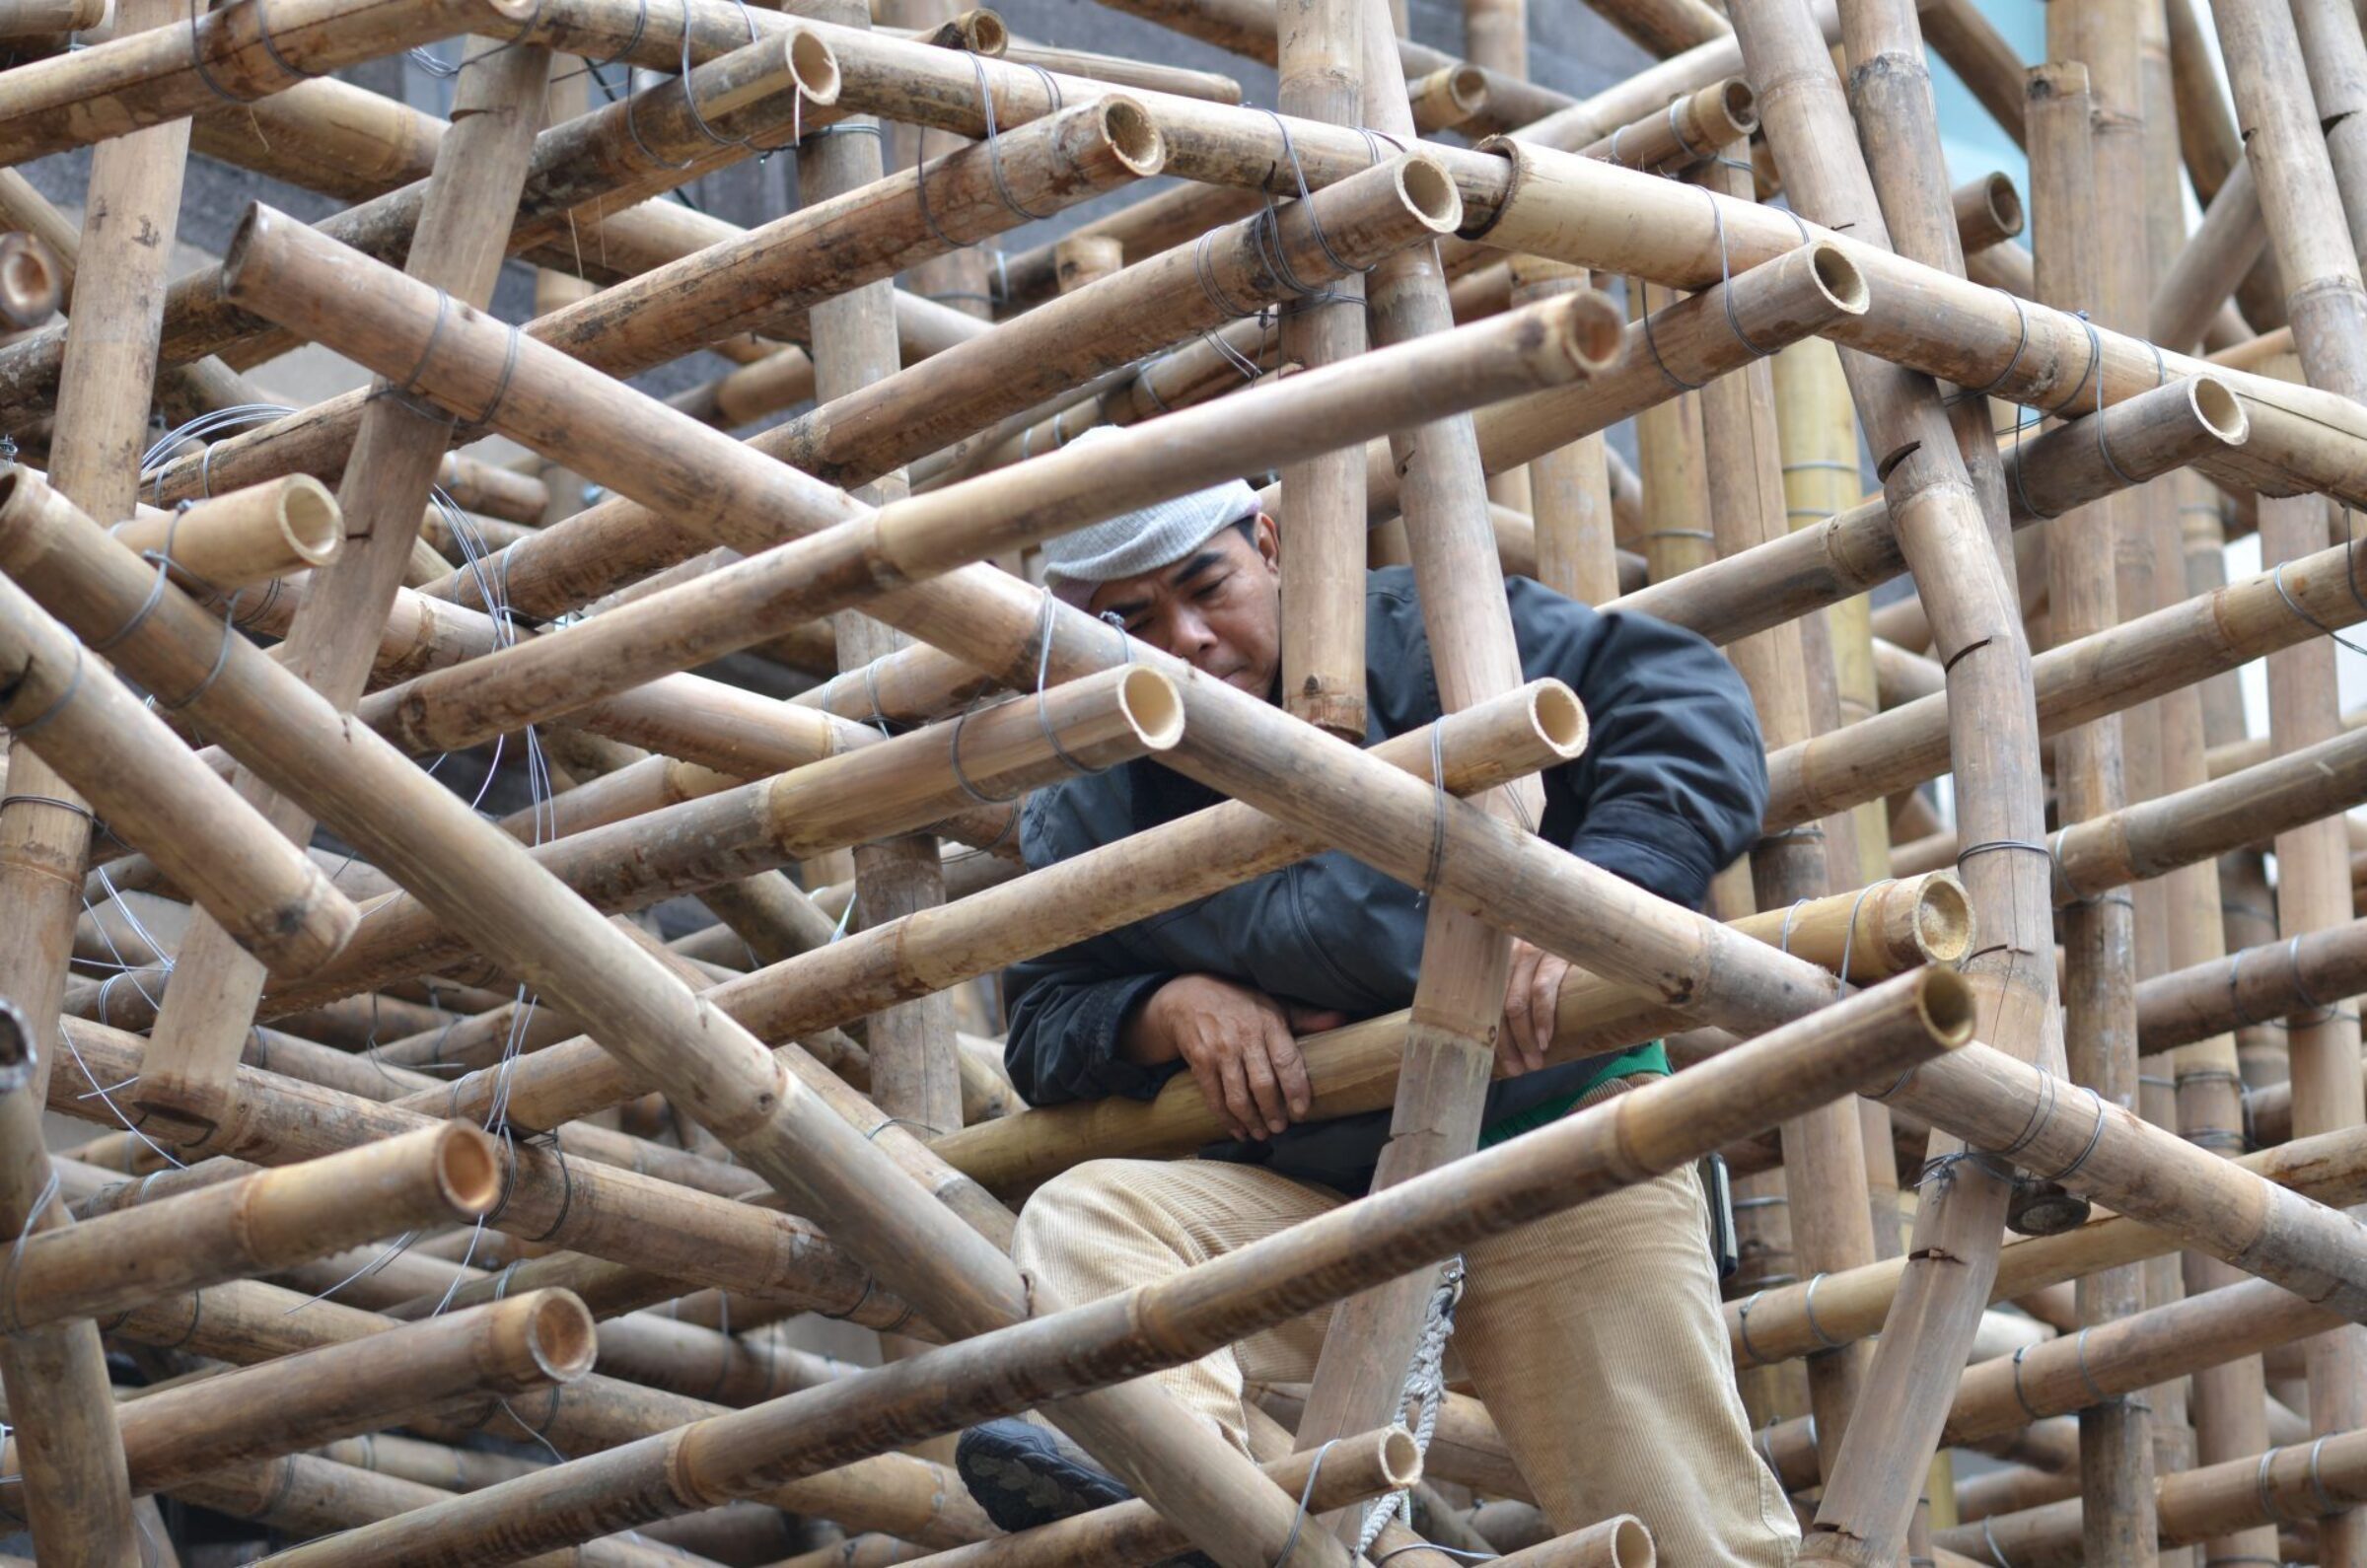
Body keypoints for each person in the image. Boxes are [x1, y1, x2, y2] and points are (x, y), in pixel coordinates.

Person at [956, 469, 1798, 1566]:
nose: (1189, 639)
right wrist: (1161, 1010)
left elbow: (1683, 702)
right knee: (1087, 1220)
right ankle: (1189, 1516)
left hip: (1560, 1144)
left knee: (1692, 1538)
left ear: (1269, 540)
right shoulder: (1087, 797)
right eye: (1134, 624)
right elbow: (1045, 1024)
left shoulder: (1429, 637)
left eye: (1205, 587)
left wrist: (1598, 899)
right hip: (1315, 1197)